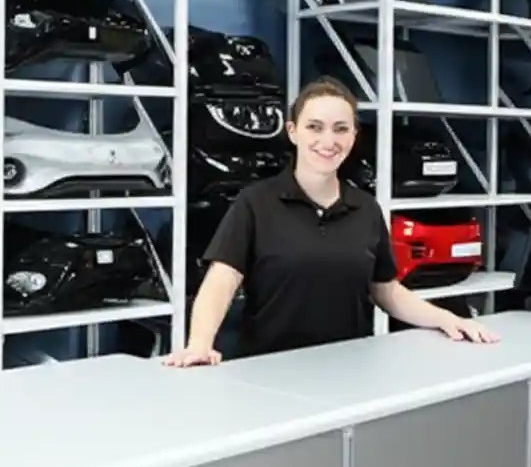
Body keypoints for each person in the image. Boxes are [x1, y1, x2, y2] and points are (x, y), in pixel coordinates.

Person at [166, 76, 499, 368]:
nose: (328, 141)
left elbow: (386, 291)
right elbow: (221, 282)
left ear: (354, 136)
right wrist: (199, 345)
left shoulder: (367, 209)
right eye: (315, 127)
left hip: (351, 369)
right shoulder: (255, 203)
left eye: (341, 129)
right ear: (293, 132)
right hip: (269, 371)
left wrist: (446, 319)